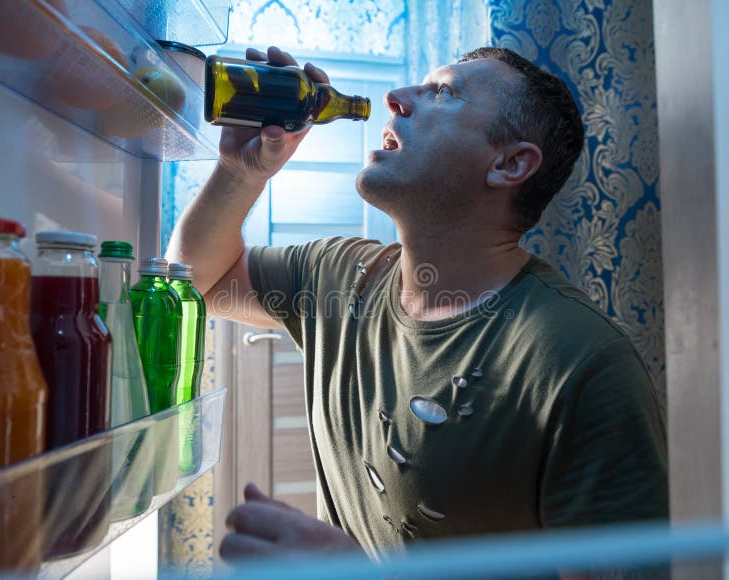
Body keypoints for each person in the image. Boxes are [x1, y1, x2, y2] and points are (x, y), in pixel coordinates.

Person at [166, 45, 668, 562]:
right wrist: (240, 171)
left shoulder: (582, 365)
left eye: (444, 93)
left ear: (510, 164)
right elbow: (197, 282)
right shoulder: (339, 276)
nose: (395, 97)